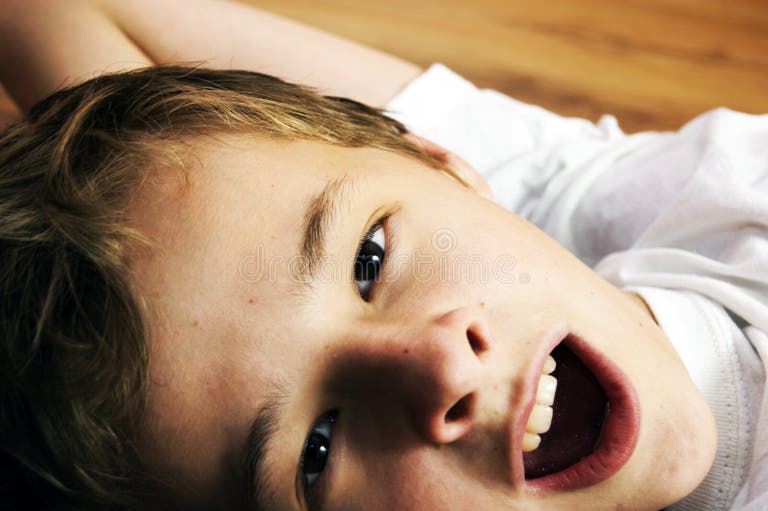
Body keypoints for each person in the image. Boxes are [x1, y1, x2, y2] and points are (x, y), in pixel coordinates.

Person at [0, 1, 765, 510]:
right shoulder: (479, 229)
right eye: (317, 451)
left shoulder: (719, 196)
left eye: (368, 260)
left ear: (445, 161)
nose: (442, 365)